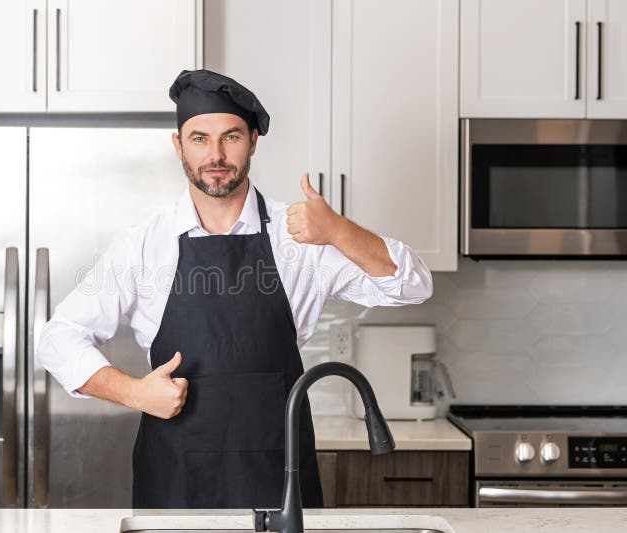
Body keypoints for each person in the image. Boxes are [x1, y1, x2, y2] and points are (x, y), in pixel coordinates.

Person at [38, 69, 433, 509]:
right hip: (176, 480)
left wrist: (339, 230)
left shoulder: (299, 237)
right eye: (199, 138)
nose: (216, 155)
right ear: (178, 145)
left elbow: (412, 285)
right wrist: (133, 392)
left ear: (253, 142)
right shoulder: (144, 244)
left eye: (231, 137)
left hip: (277, 479)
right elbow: (58, 338)